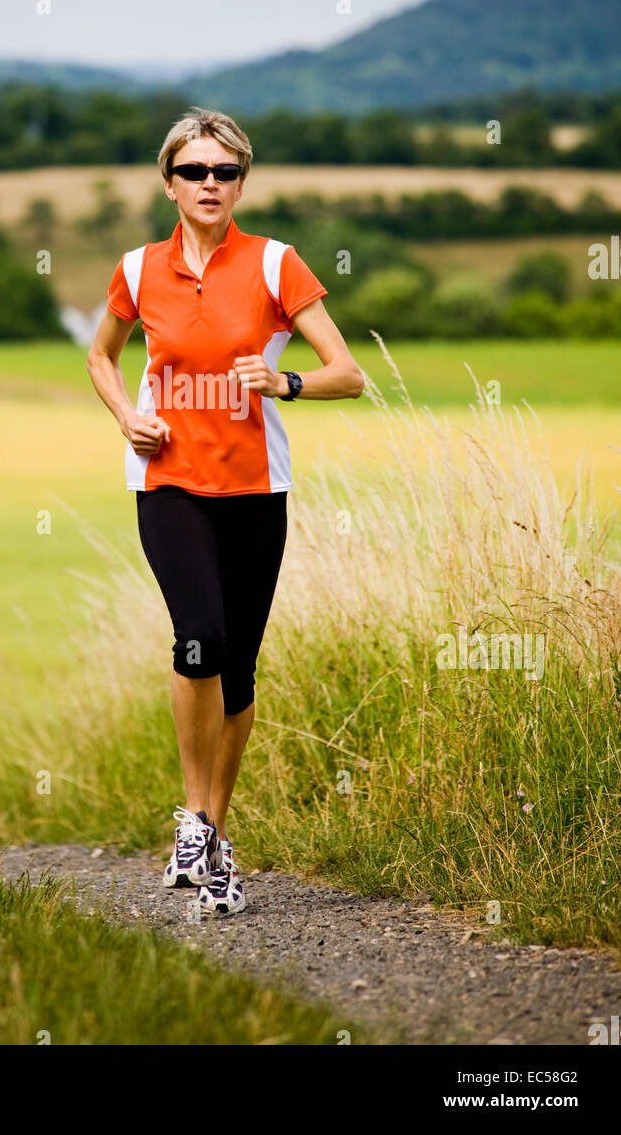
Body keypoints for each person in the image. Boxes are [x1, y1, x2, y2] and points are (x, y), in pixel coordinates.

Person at [86, 107, 364, 914]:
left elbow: (348, 372)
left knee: (237, 671)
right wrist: (124, 417)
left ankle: (210, 830)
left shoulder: (277, 265)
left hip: (255, 488)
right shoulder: (137, 270)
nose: (211, 185)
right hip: (167, 481)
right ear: (168, 182)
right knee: (198, 638)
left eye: (227, 172)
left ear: (243, 181)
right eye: (195, 171)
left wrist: (289, 383)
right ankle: (194, 823)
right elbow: (102, 355)